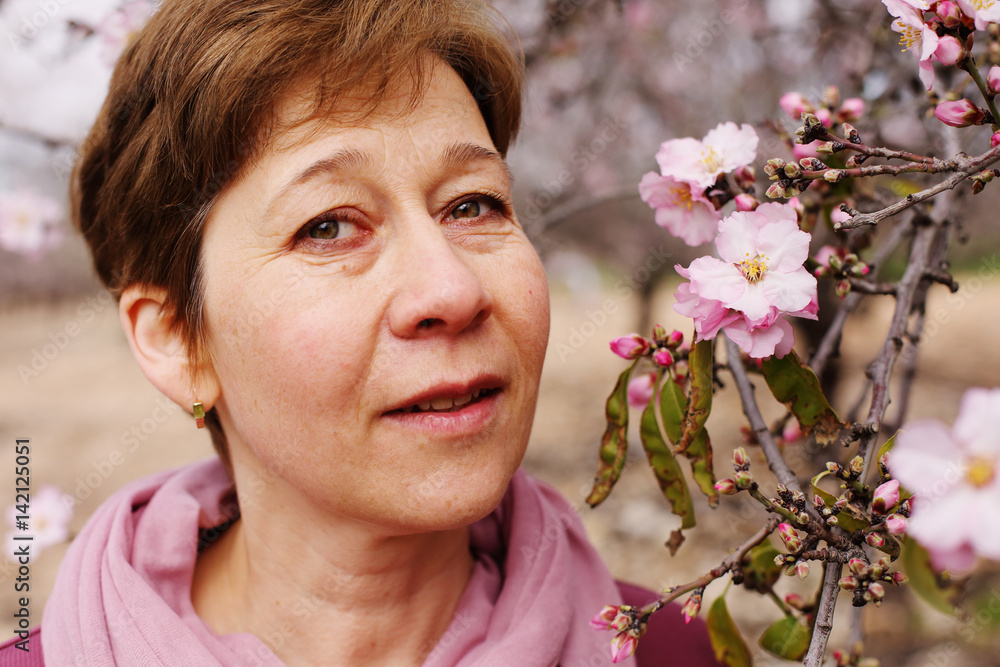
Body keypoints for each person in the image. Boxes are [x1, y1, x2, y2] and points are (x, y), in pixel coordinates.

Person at [0, 1, 721, 665]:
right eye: (328, 226)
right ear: (177, 341)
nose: (452, 289)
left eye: (473, 205)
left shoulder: (663, 650)